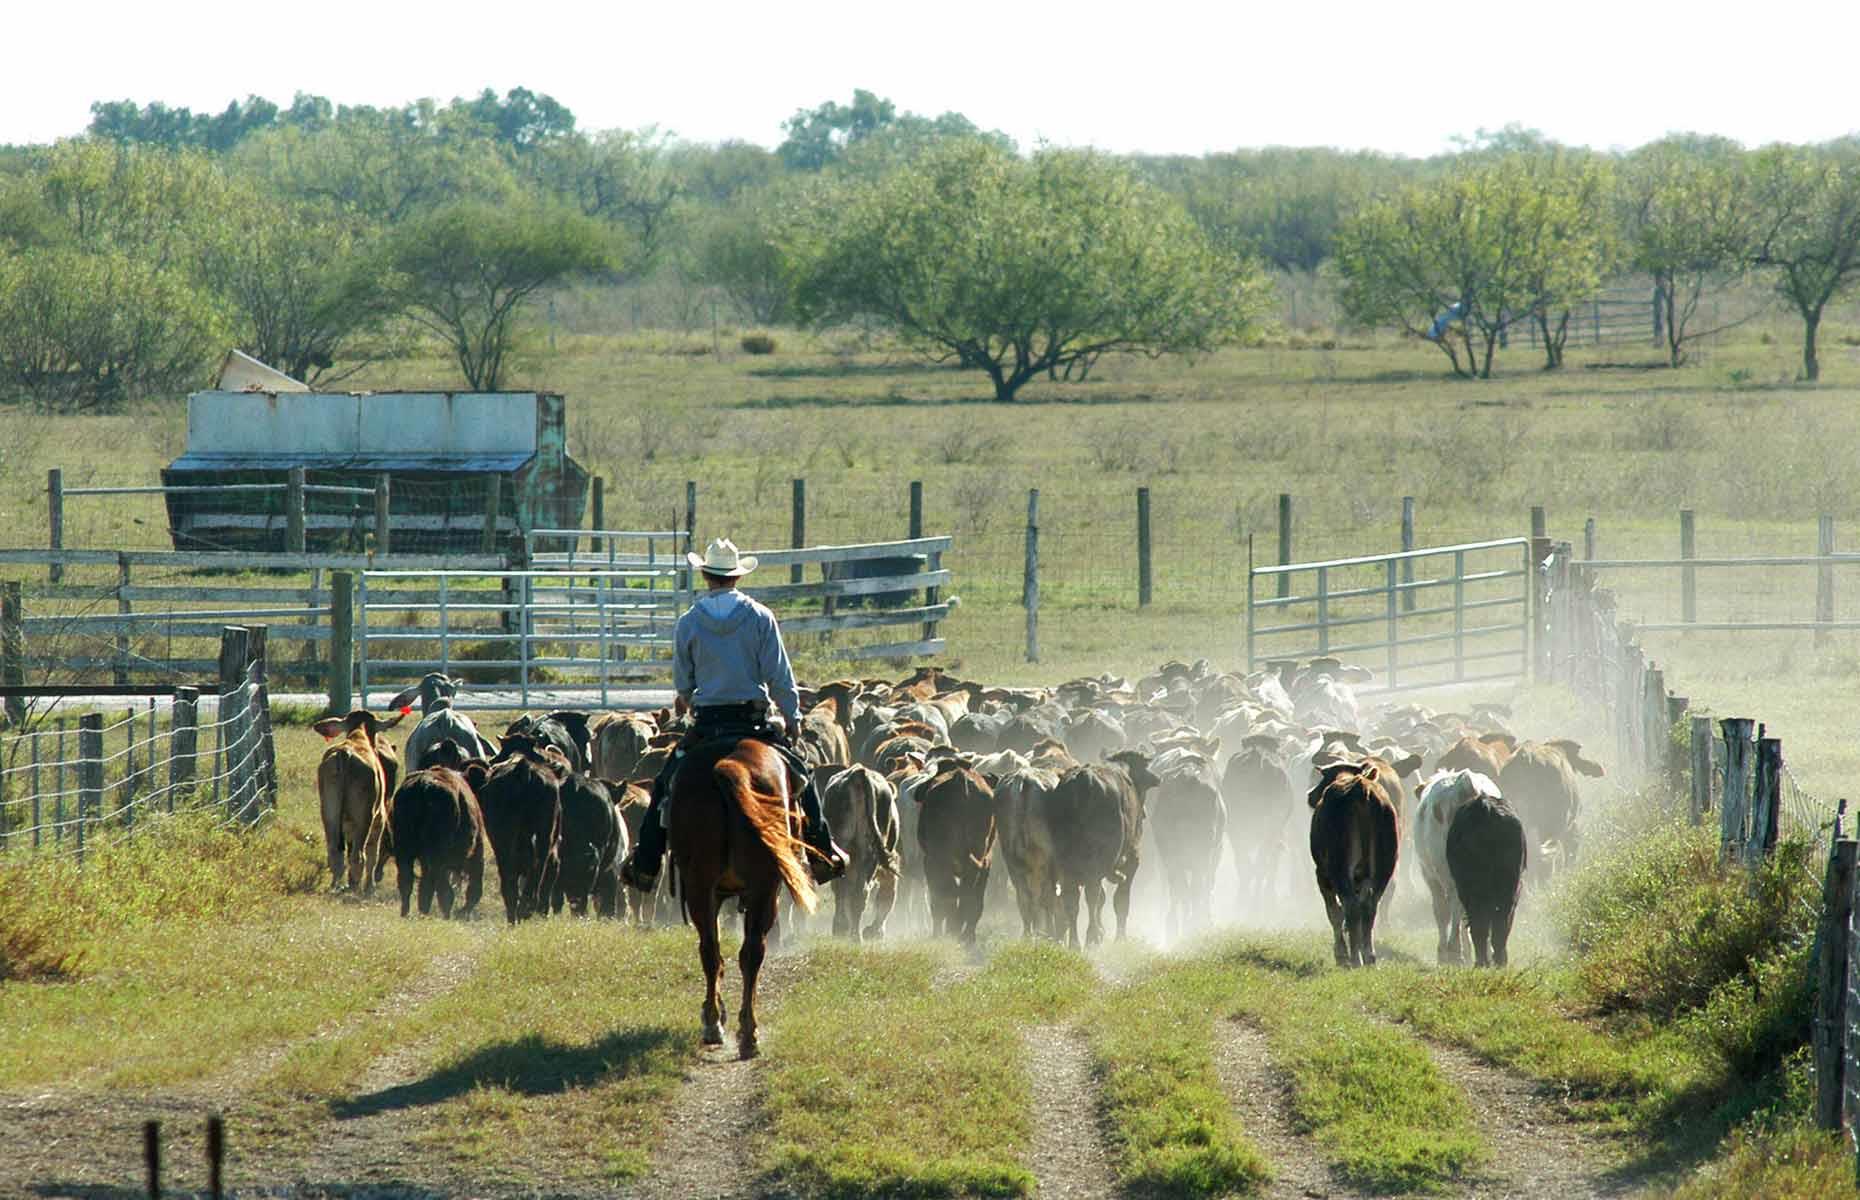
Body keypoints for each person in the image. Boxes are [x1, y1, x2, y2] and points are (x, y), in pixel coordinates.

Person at [619, 537, 848, 891]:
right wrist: (792, 719)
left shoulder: (689, 622)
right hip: (753, 723)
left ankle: (647, 863)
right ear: (737, 577)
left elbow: (683, 686)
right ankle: (820, 851)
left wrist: (691, 699)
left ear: (706, 576)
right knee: (802, 776)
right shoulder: (760, 617)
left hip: (708, 725)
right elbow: (781, 678)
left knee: (665, 785)